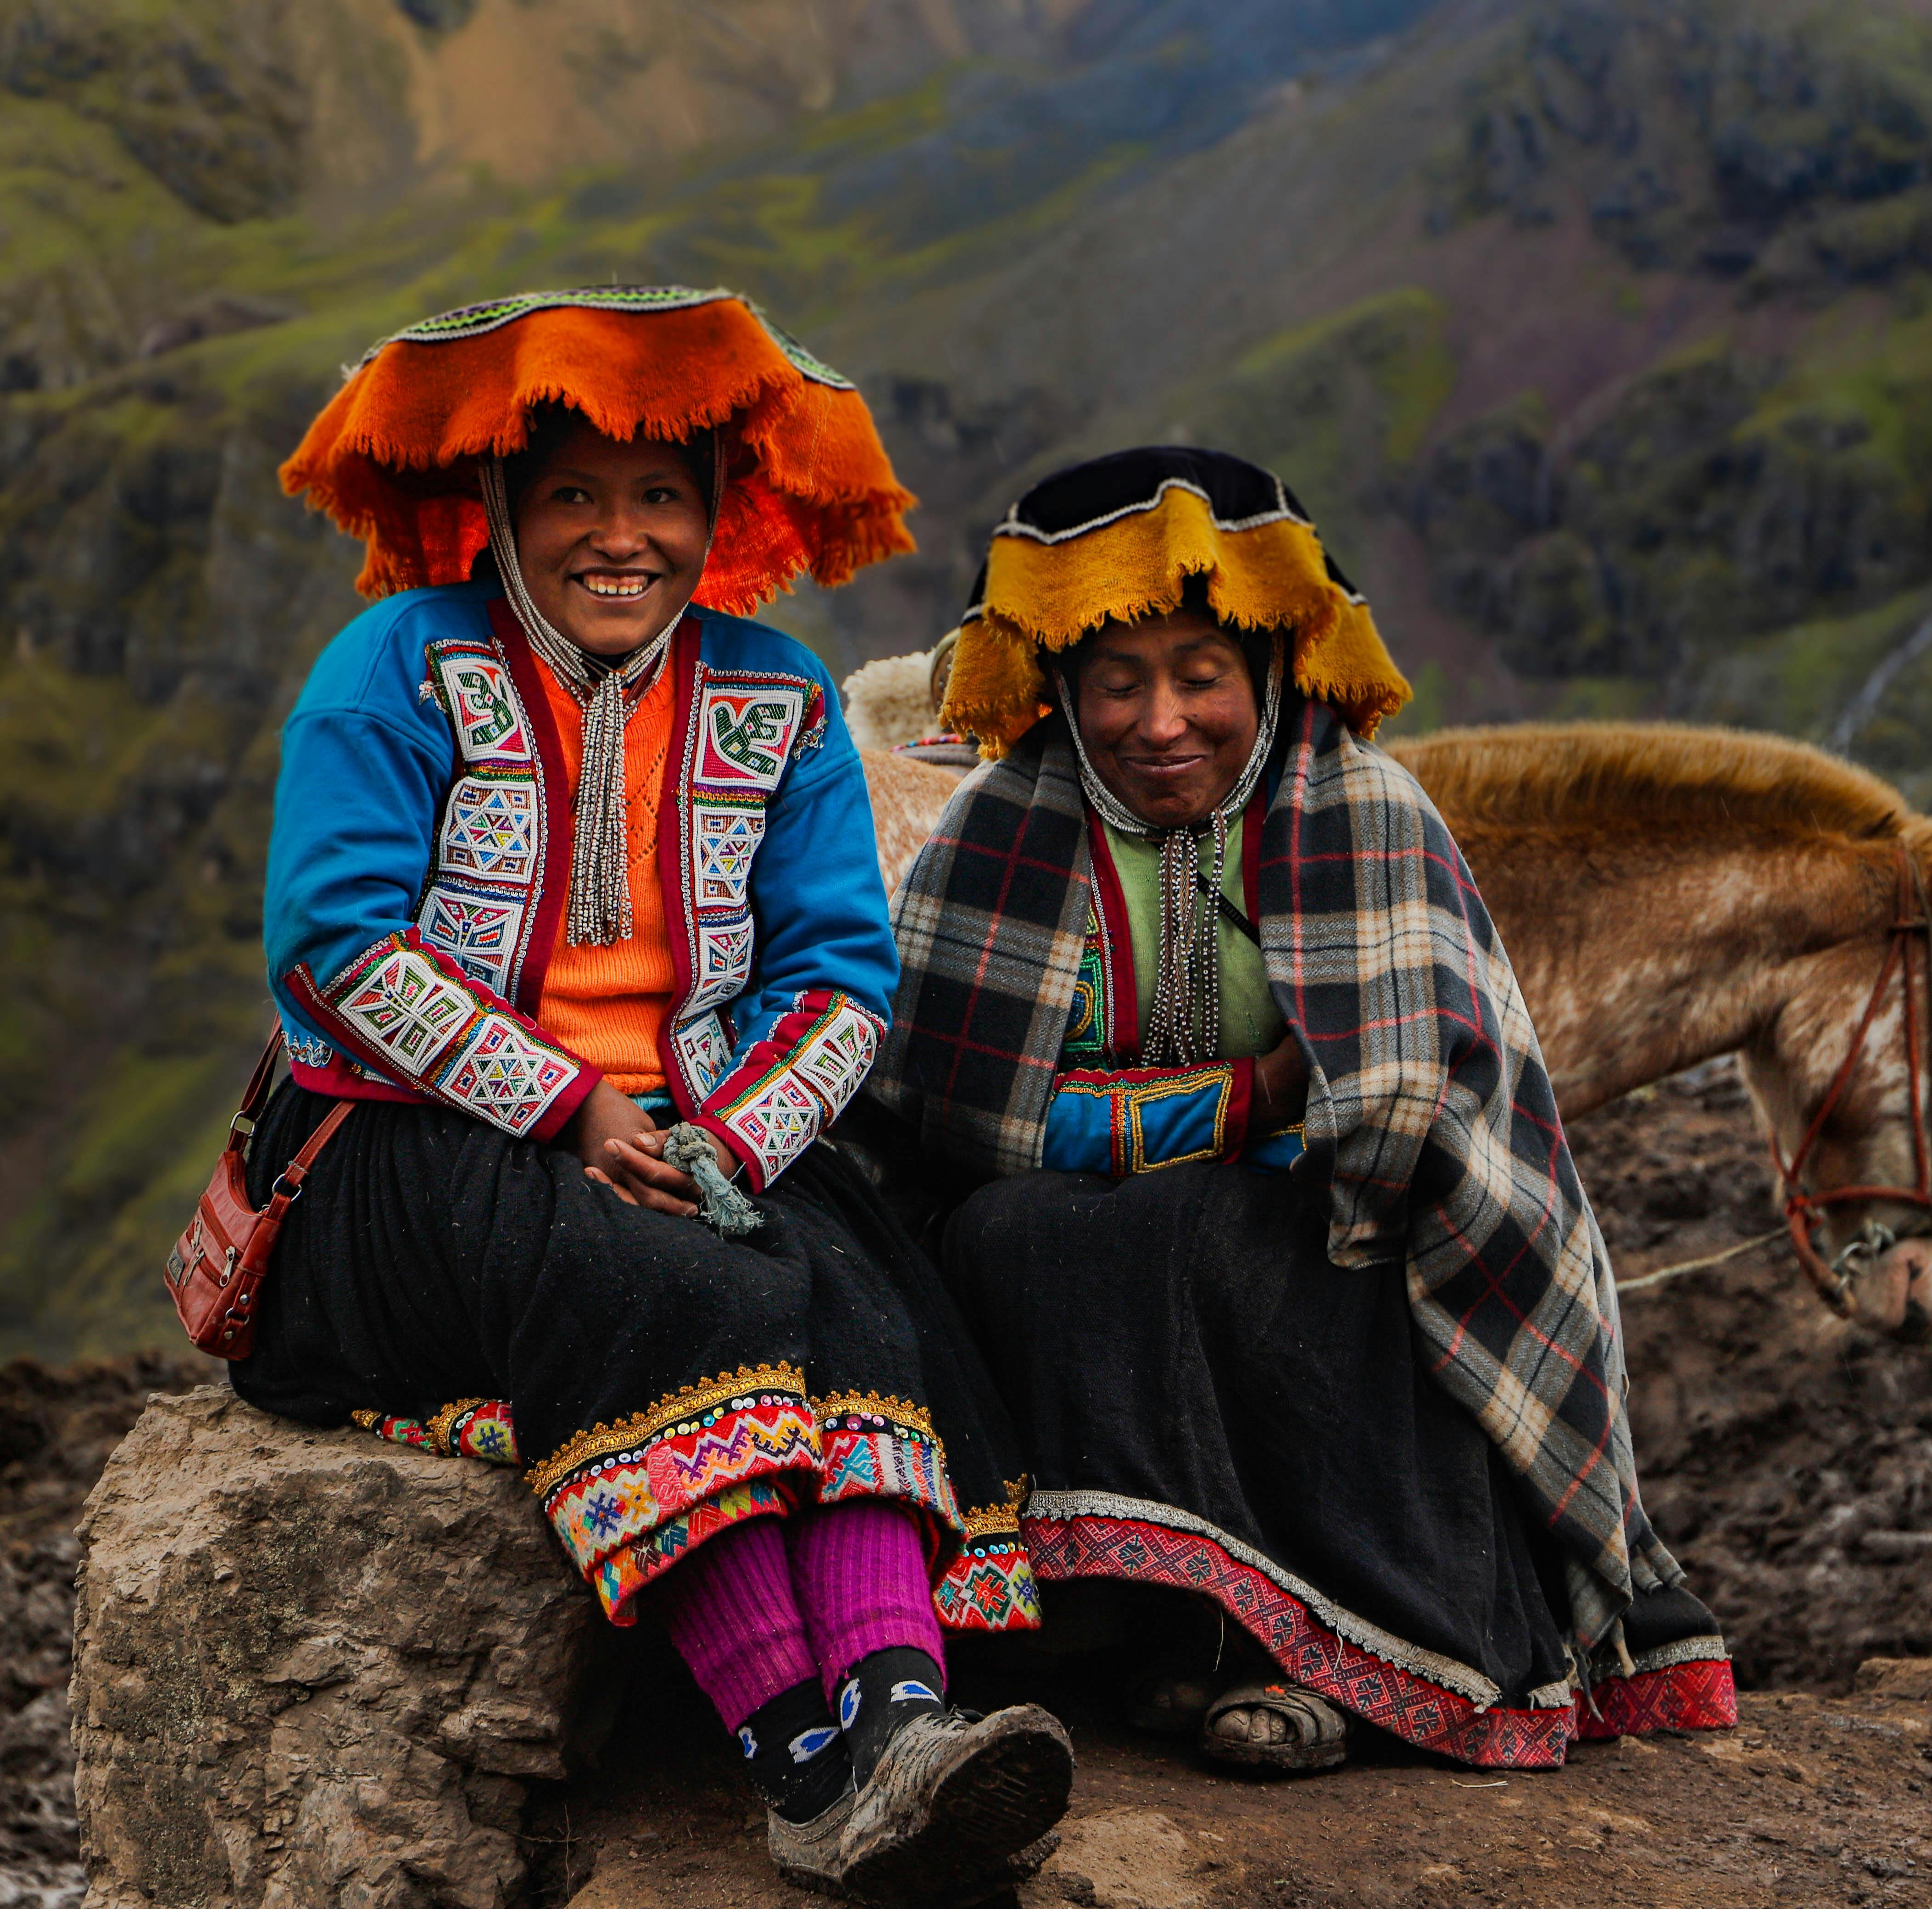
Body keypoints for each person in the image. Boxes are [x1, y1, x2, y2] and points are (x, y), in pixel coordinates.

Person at [245, 287, 1067, 1902]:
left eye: (660, 499)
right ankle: (805, 1773)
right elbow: (336, 946)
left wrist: (731, 1139)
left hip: (711, 1124)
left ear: (717, 515)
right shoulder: (394, 670)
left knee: (861, 1305)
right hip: (424, 1137)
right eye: (572, 497)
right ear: (497, 508)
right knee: (665, 1289)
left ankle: (907, 1729)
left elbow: (839, 978)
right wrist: (570, 1110)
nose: (621, 540)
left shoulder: (779, 699)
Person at [872, 447, 1735, 1774]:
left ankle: (1343, 1658)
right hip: (1109, 1220)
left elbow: (1399, 1112)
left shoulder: (1364, 814)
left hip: (1333, 1229)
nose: (1161, 722)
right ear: (1060, 688)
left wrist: (1198, 1125)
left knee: (1239, 1240)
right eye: (1118, 682)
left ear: (1266, 671)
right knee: (1011, 1235)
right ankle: (1152, 1632)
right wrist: (1242, 1095)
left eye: (1199, 676)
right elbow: (958, 1113)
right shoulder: (1004, 832)